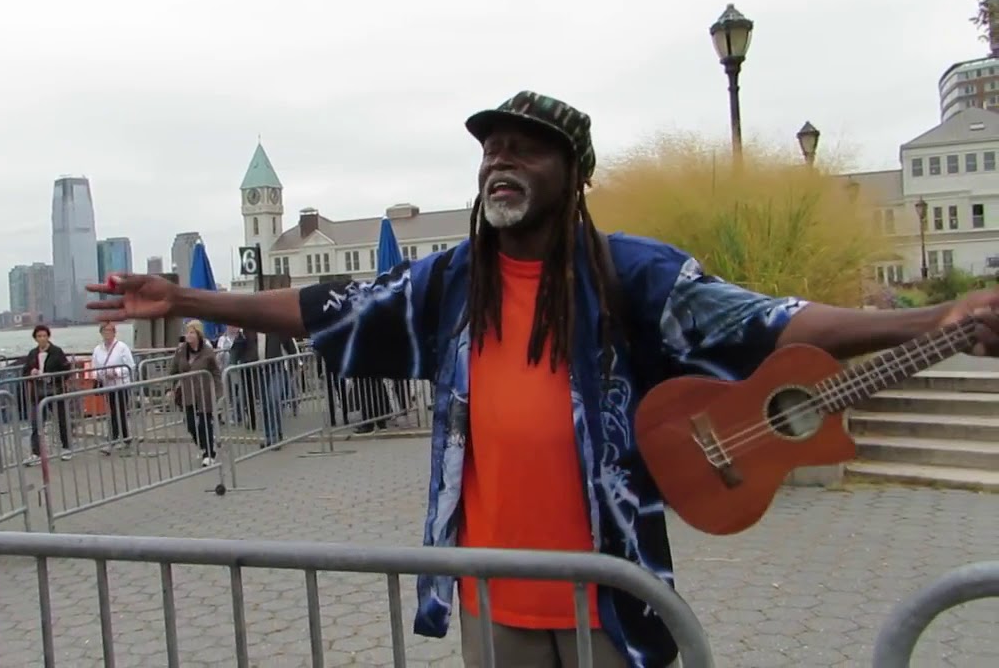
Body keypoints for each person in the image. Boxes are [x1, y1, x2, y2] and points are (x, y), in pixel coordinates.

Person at [86, 90, 999, 668]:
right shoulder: (448, 285)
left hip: (610, 590)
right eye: (491, 150)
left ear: (575, 175)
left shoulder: (632, 275)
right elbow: (328, 307)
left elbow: (770, 321)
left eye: (527, 149)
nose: (501, 162)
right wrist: (190, 298)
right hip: (490, 594)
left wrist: (930, 320)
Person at [170, 320, 223, 466]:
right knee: (191, 424)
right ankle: (203, 444)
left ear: (199, 334)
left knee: (204, 423)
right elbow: (173, 370)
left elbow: (216, 372)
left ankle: (209, 453)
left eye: (192, 332)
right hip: (188, 393)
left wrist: (218, 391)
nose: (188, 335)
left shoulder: (207, 352)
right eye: (187, 332)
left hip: (204, 392)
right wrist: (171, 387)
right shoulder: (181, 351)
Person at [22, 325, 73, 465]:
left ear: (48, 337)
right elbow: (25, 370)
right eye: (39, 336)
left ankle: (66, 447)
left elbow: (67, 369)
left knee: (61, 419)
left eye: (44, 336)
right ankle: (36, 453)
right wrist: (30, 372)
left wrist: (54, 377)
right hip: (37, 392)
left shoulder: (57, 352)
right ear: (35, 338)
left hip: (55, 390)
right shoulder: (32, 353)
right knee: (36, 423)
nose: (42, 339)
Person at [90, 322, 135, 455]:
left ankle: (113, 439)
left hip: (121, 384)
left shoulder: (122, 347)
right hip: (107, 385)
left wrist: (116, 372)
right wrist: (100, 374)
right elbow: (94, 367)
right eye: (105, 331)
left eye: (110, 331)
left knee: (118, 411)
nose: (107, 334)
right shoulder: (98, 349)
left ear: (114, 332)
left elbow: (130, 366)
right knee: (114, 411)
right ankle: (126, 437)